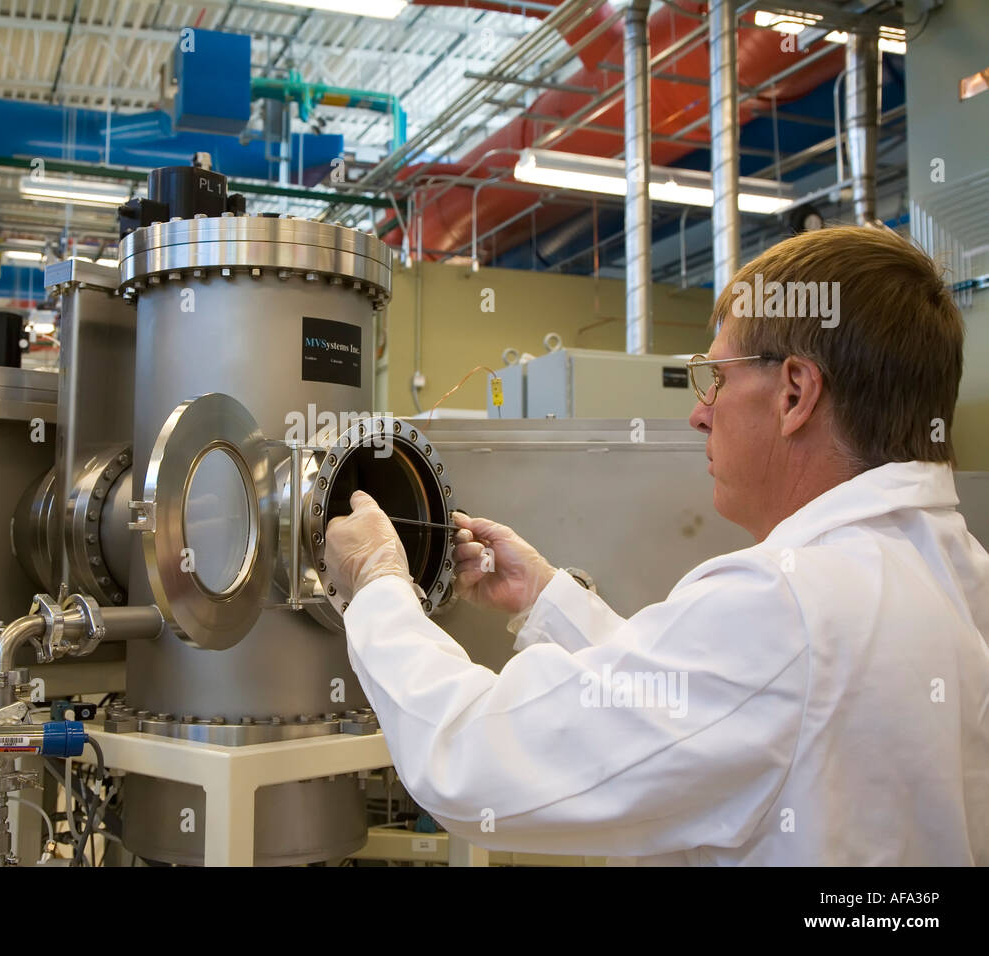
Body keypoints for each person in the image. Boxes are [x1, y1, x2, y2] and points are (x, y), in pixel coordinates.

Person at [324, 225, 989, 865]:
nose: (700, 412)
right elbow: (708, 711)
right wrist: (548, 597)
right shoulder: (958, 572)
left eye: (717, 378)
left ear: (795, 392)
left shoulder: (786, 606)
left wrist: (379, 584)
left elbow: (472, 758)